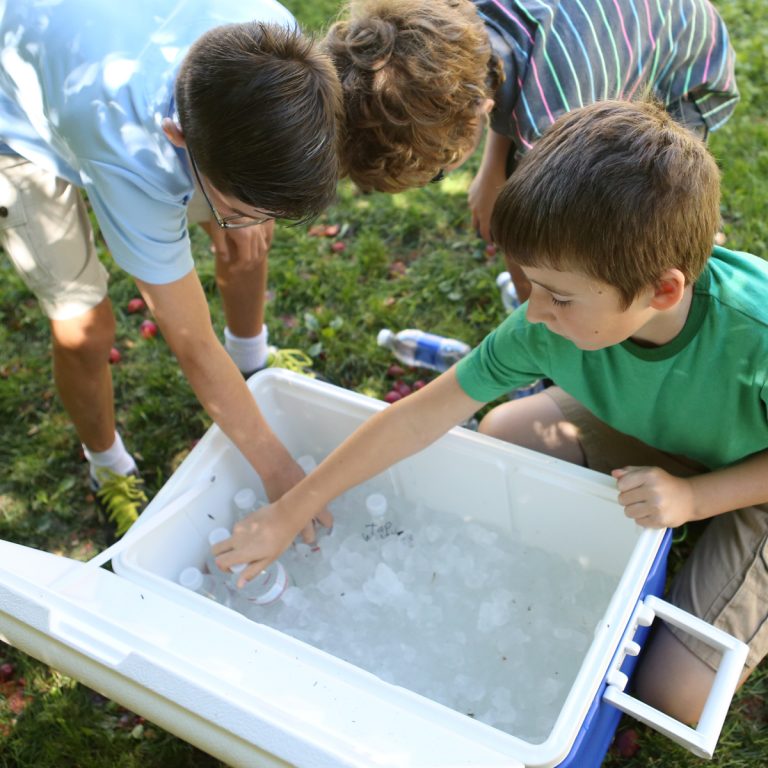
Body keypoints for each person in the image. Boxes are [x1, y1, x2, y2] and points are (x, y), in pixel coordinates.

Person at [213, 99, 767, 725]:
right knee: (508, 430)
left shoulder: (757, 331)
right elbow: (419, 416)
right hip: (668, 435)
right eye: (530, 285)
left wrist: (695, 501)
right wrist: (293, 508)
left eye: (558, 296)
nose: (534, 313)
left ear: (661, 290)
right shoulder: (548, 321)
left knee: (679, 697)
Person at [0, 0, 340, 536]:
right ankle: (107, 467)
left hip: (109, 64)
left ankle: (252, 363)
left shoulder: (285, 53)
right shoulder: (128, 153)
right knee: (84, 329)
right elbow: (191, 342)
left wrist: (245, 214)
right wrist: (279, 470)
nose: (258, 221)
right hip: (19, 123)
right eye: (242, 206)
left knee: (244, 243)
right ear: (181, 139)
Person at [322, 0, 739, 299]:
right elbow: (500, 77)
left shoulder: (554, 123)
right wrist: (492, 173)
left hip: (690, 71)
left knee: (649, 200)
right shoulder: (461, 27)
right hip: (632, 25)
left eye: (438, 171)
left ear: (478, 112)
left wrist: (535, 287)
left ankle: (691, 260)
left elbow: (542, 236)